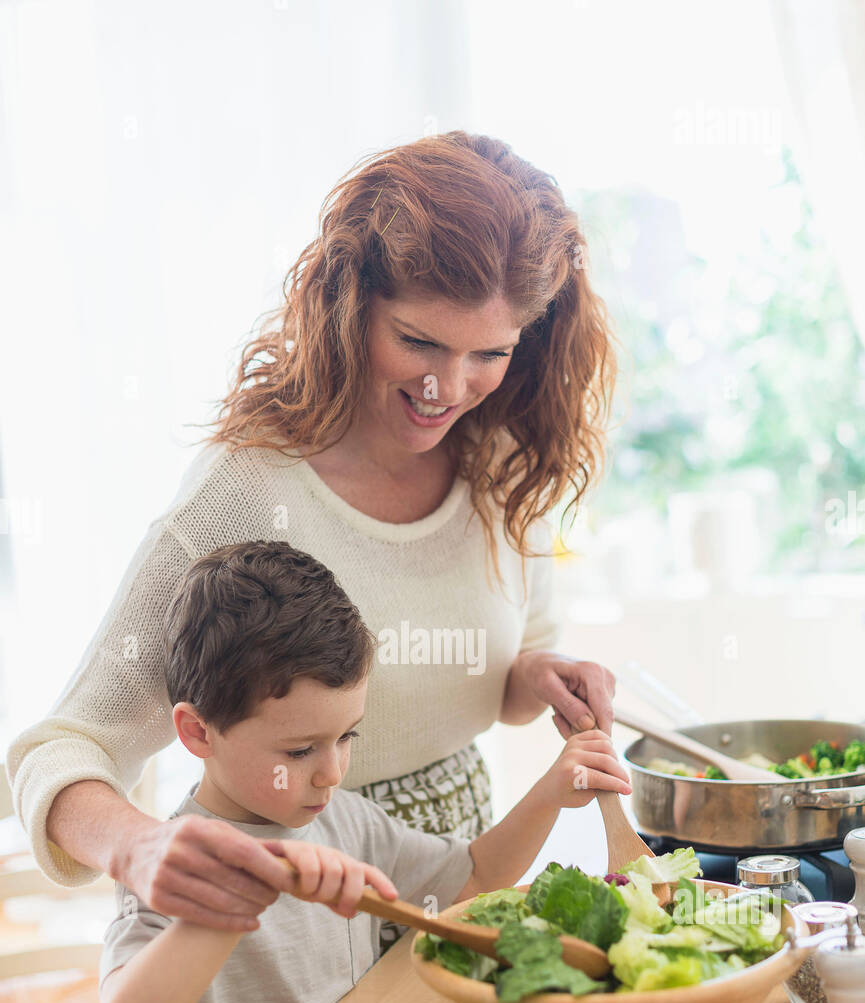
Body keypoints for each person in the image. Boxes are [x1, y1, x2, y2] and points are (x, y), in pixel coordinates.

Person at [6, 130, 618, 940]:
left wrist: (540, 674)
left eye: (490, 353)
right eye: (418, 342)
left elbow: (498, 689)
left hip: (460, 896)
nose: (449, 387)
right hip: (285, 926)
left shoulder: (503, 461)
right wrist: (143, 850)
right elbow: (62, 749)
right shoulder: (245, 492)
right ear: (346, 305)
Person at [99, 541, 631, 1003]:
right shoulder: (174, 858)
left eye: (346, 736)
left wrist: (551, 790)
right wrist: (228, 904)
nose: (331, 772)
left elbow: (476, 878)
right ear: (197, 732)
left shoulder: (340, 819)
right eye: (298, 751)